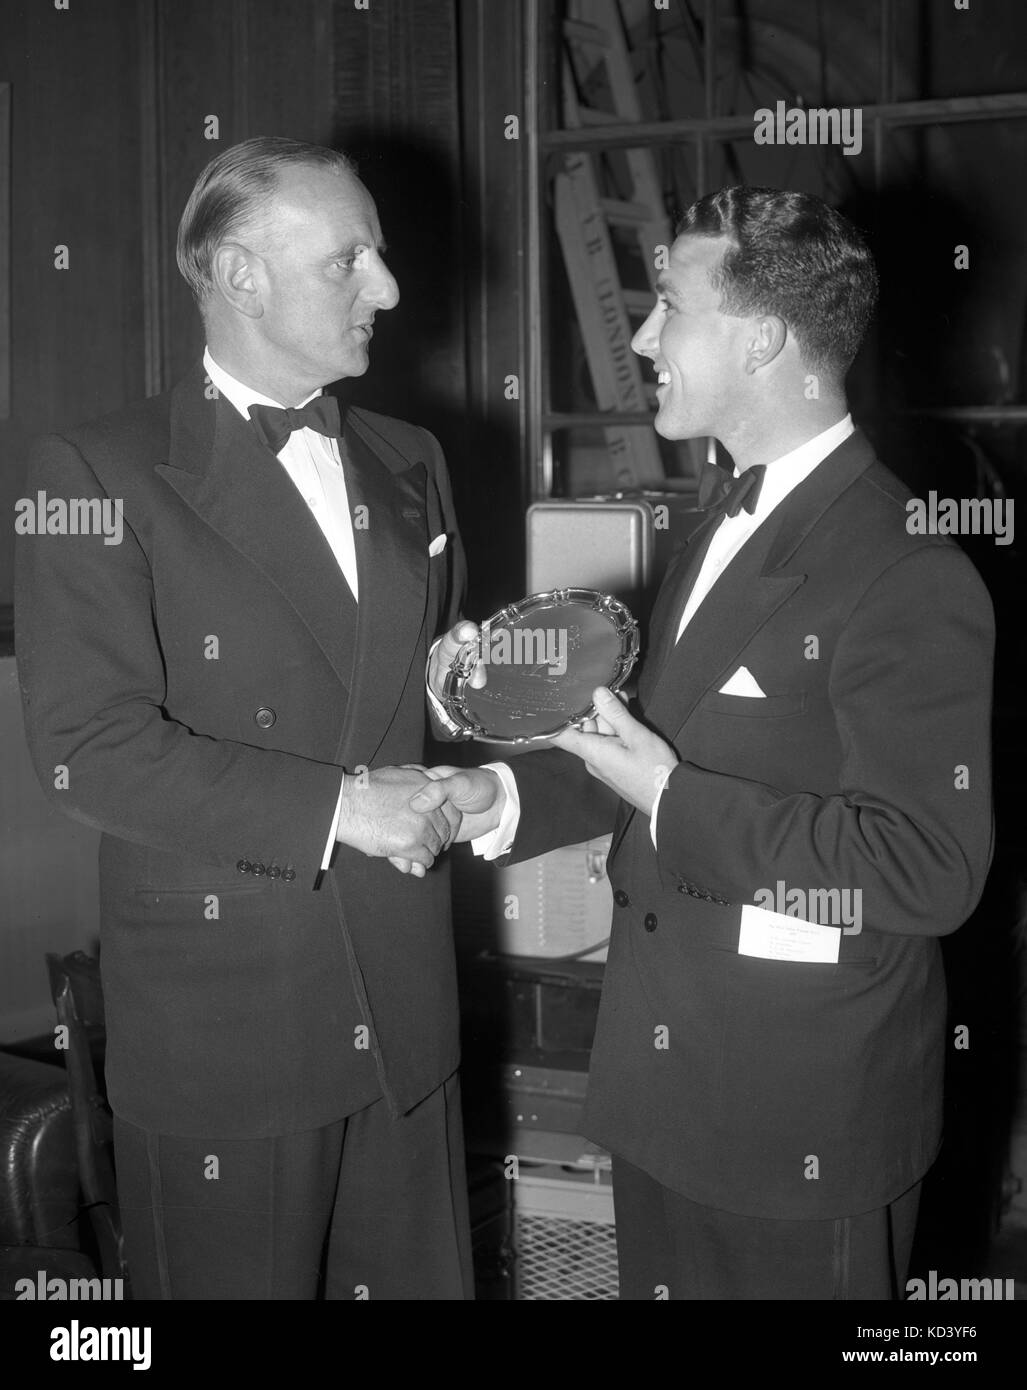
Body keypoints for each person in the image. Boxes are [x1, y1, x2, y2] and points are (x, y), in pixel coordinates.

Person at [419, 186, 995, 1300]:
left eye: (667, 306)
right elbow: (640, 753)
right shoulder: (720, 520)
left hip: (798, 1120)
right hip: (665, 1090)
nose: (640, 338)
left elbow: (926, 864)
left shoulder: (908, 568)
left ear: (764, 336)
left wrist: (670, 792)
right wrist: (491, 795)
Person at [16, 137, 474, 1300]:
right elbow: (89, 753)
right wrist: (345, 810)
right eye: (350, 260)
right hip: (232, 1030)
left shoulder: (409, 458)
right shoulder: (92, 472)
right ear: (239, 275)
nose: (390, 287)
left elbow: (404, 699)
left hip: (407, 1010)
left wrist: (464, 684)